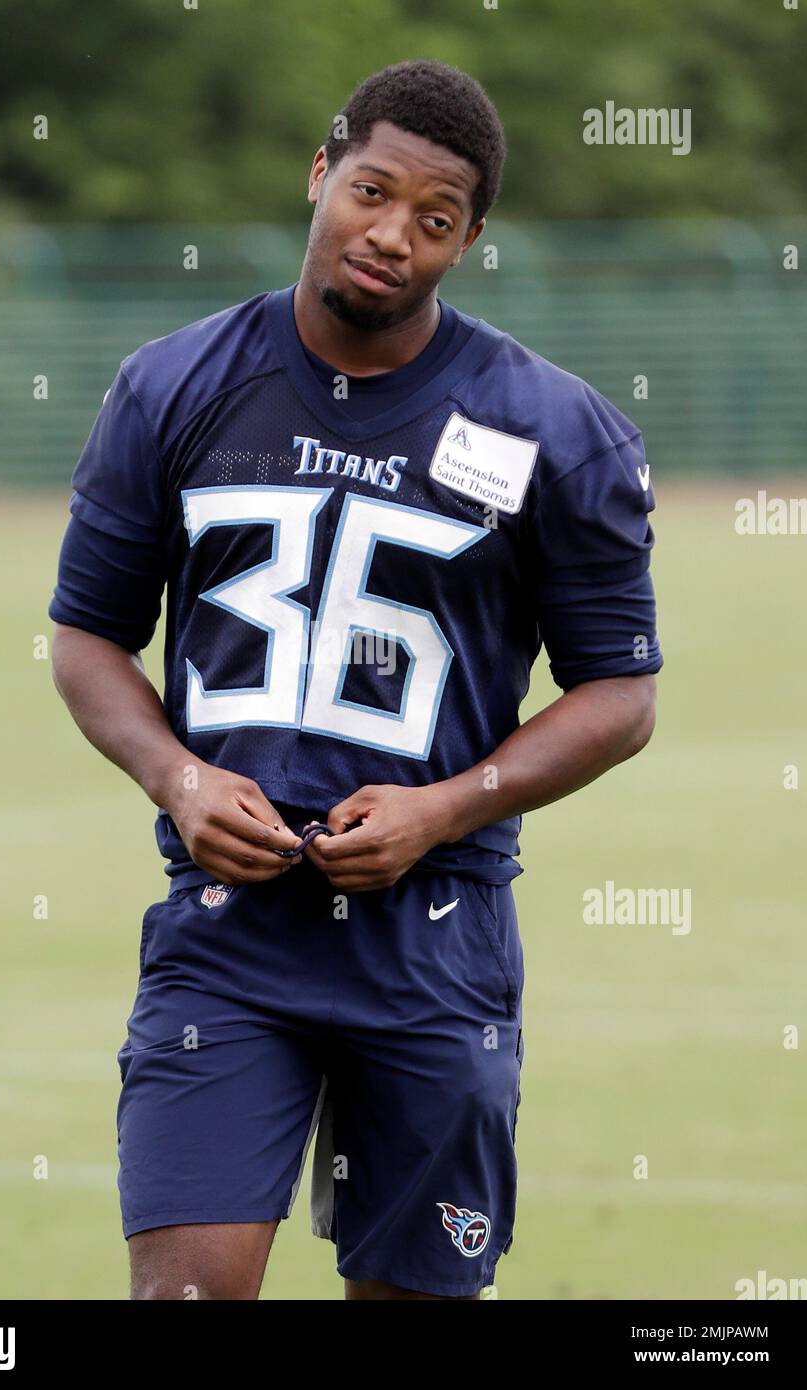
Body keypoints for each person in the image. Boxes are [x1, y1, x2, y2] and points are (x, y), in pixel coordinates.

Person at [48, 58, 662, 1301]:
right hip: (228, 935)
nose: (391, 235)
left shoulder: (553, 426)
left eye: (434, 220)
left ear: (470, 240)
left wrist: (446, 805)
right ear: (321, 172)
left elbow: (621, 694)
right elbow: (84, 639)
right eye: (371, 192)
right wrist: (176, 776)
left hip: (435, 938)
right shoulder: (172, 385)